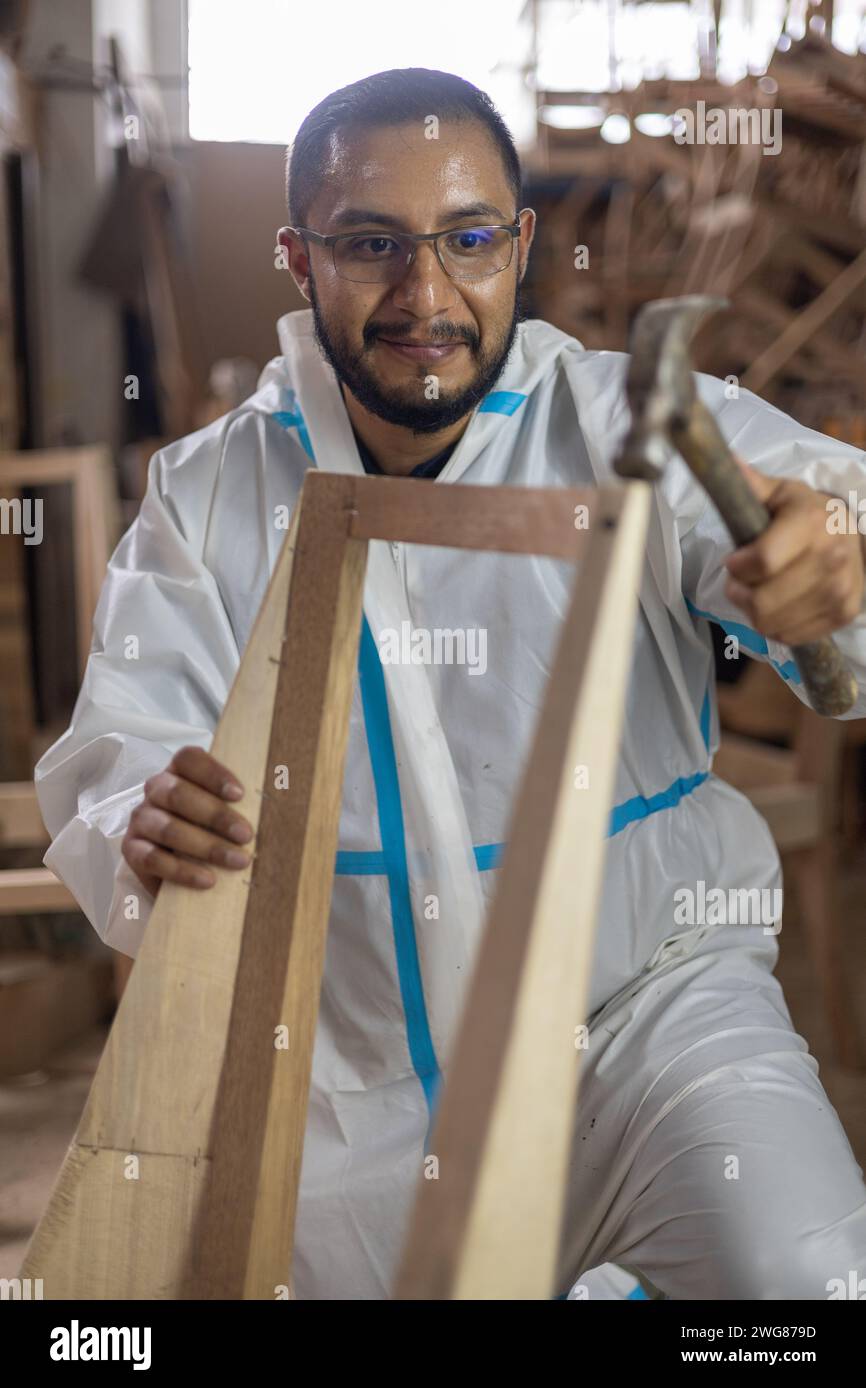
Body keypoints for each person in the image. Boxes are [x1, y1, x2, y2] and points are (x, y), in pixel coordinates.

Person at [36, 68, 866, 1300]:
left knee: (799, 1285)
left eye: (466, 238)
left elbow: (828, 519)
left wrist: (826, 576)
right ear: (296, 256)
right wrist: (145, 822)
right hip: (334, 1066)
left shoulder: (629, 416)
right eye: (369, 243)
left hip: (643, 1022)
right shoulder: (206, 495)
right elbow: (113, 766)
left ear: (519, 243)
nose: (424, 295)